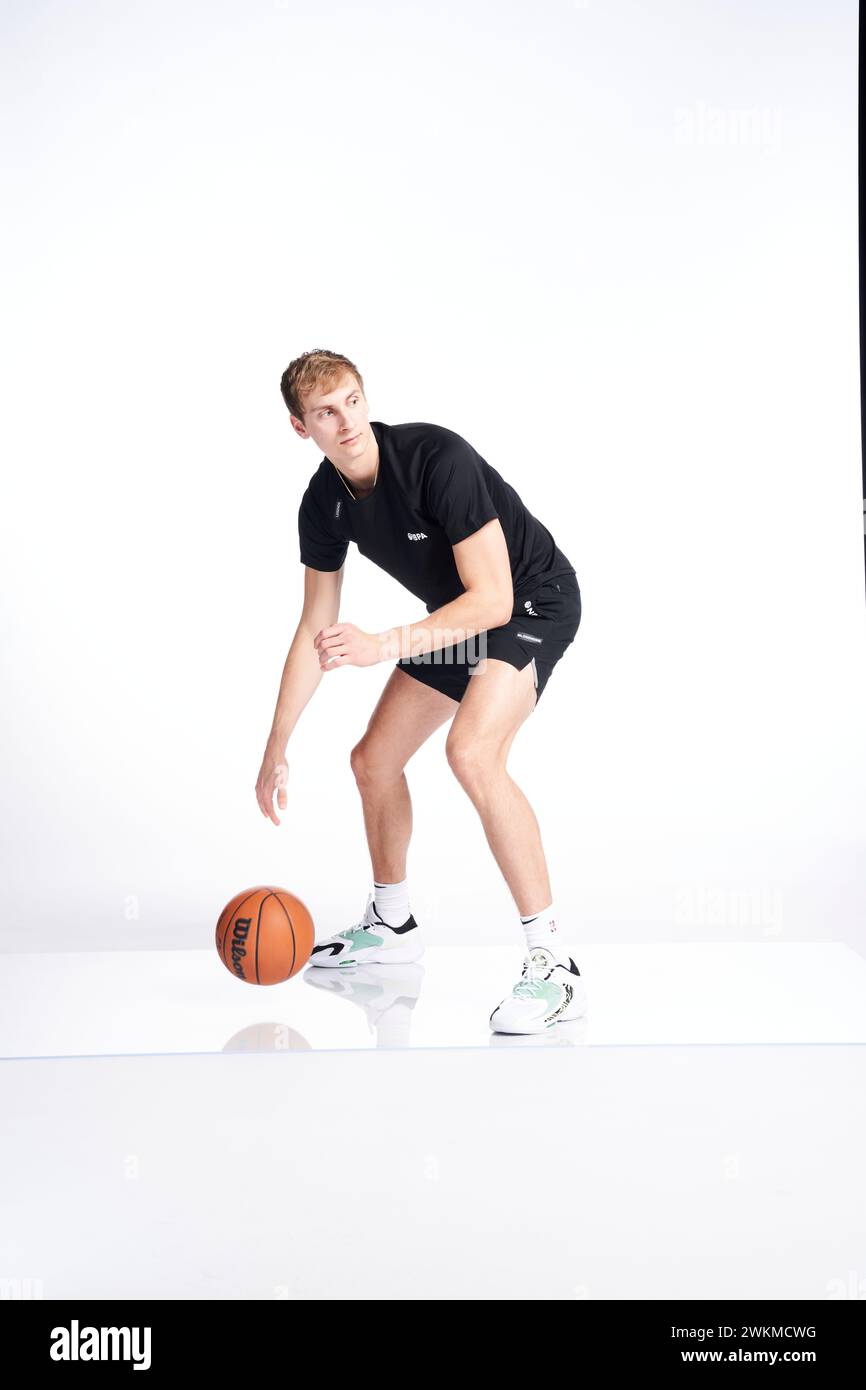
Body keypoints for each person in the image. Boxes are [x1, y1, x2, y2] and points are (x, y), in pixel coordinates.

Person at [254, 348, 587, 1034]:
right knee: (372, 760)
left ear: (364, 397)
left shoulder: (436, 457)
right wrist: (276, 744)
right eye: (324, 412)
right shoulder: (323, 504)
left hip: (529, 603)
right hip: (453, 614)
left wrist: (381, 646)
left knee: (472, 752)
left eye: (351, 401)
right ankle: (392, 923)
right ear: (300, 426)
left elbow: (493, 600)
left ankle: (554, 965)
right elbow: (315, 623)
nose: (345, 422)